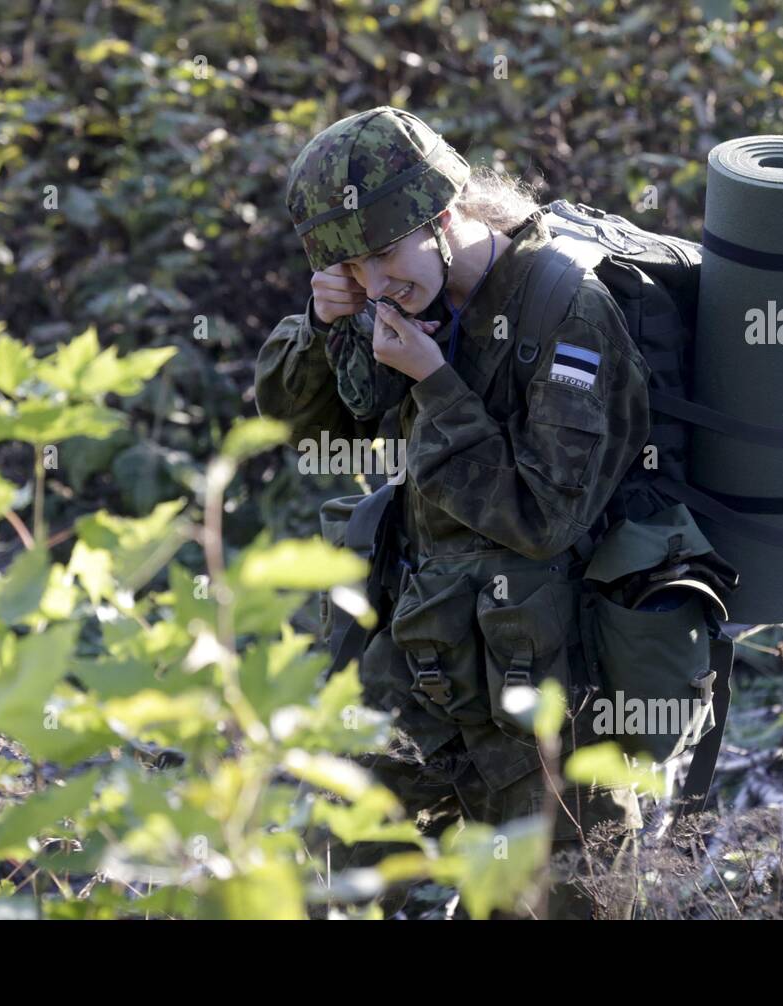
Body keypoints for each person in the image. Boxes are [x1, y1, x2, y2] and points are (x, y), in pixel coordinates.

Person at [254, 106, 652, 919]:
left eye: (382, 256)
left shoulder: (569, 315)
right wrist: (324, 324)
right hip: (423, 655)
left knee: (564, 905)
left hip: (550, 693)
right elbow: (299, 431)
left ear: (444, 218)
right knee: (326, 861)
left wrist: (436, 383)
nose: (373, 283)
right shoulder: (398, 294)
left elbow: (544, 515)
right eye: (351, 266)